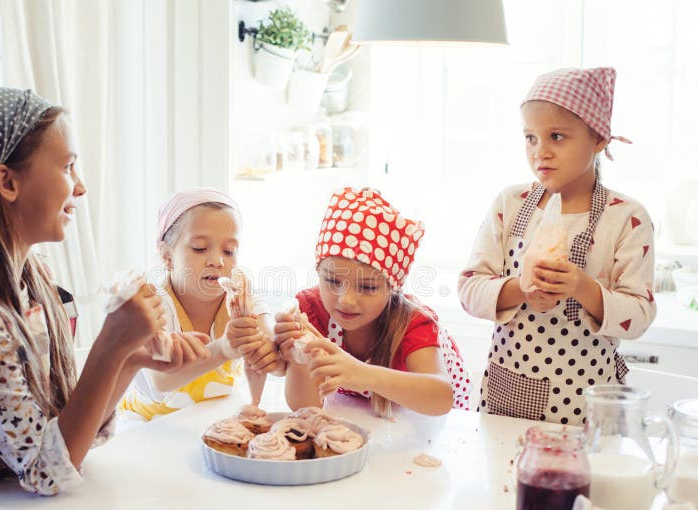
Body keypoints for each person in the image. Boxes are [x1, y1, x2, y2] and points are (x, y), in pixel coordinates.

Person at [0, 86, 202, 510]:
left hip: (12, 507)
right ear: (7, 182)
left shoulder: (30, 281)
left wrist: (128, 358)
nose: (80, 185)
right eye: (67, 165)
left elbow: (65, 439)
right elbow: (46, 468)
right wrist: (108, 345)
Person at [458, 67, 656, 425]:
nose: (540, 153)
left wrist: (581, 287)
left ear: (598, 139)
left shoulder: (627, 218)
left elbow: (639, 316)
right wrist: (520, 289)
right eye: (530, 138)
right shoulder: (510, 204)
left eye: (556, 136)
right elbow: (469, 290)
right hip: (506, 405)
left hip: (586, 410)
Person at [274, 187, 469, 418]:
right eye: (332, 281)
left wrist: (364, 374)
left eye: (367, 287)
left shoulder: (412, 321)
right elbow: (305, 406)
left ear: (392, 288)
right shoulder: (312, 310)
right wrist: (299, 359)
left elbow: (441, 398)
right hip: (364, 418)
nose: (346, 300)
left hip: (422, 420)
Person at [120, 189, 282, 420]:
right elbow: (161, 380)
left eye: (229, 251)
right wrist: (224, 349)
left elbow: (277, 363)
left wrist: (280, 350)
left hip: (211, 420)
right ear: (167, 257)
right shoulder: (150, 304)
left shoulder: (242, 300)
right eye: (199, 248)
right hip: (147, 426)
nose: (217, 261)